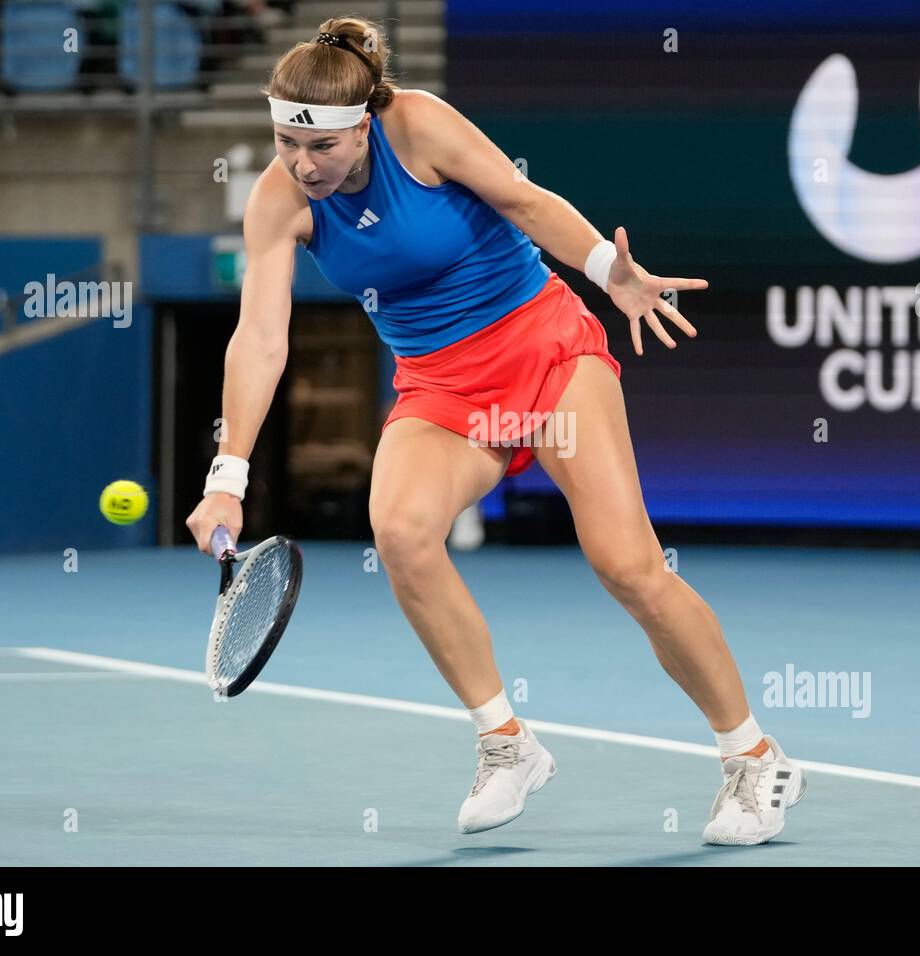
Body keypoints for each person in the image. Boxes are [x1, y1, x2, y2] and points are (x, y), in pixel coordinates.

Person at [185, 16, 806, 845]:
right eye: (284, 143)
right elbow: (260, 339)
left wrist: (603, 271)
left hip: (543, 351)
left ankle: (755, 758)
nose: (301, 164)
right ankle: (506, 745)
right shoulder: (278, 202)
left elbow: (524, 201)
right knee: (401, 532)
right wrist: (227, 476)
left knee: (628, 567)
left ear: (360, 126)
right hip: (441, 389)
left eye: (319, 149)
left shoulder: (419, 127)